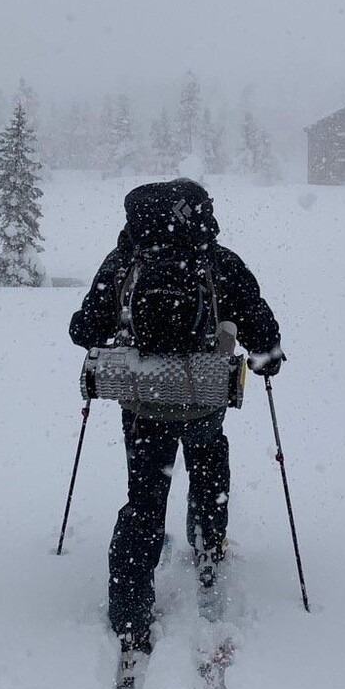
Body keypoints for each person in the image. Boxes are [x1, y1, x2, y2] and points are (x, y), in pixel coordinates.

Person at [69, 179, 284, 658]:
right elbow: (261, 329)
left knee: (144, 498)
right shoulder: (219, 261)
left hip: (143, 400)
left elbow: (83, 329)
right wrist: (266, 358)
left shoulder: (124, 260)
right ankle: (208, 543)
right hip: (203, 394)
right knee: (208, 462)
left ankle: (130, 612)